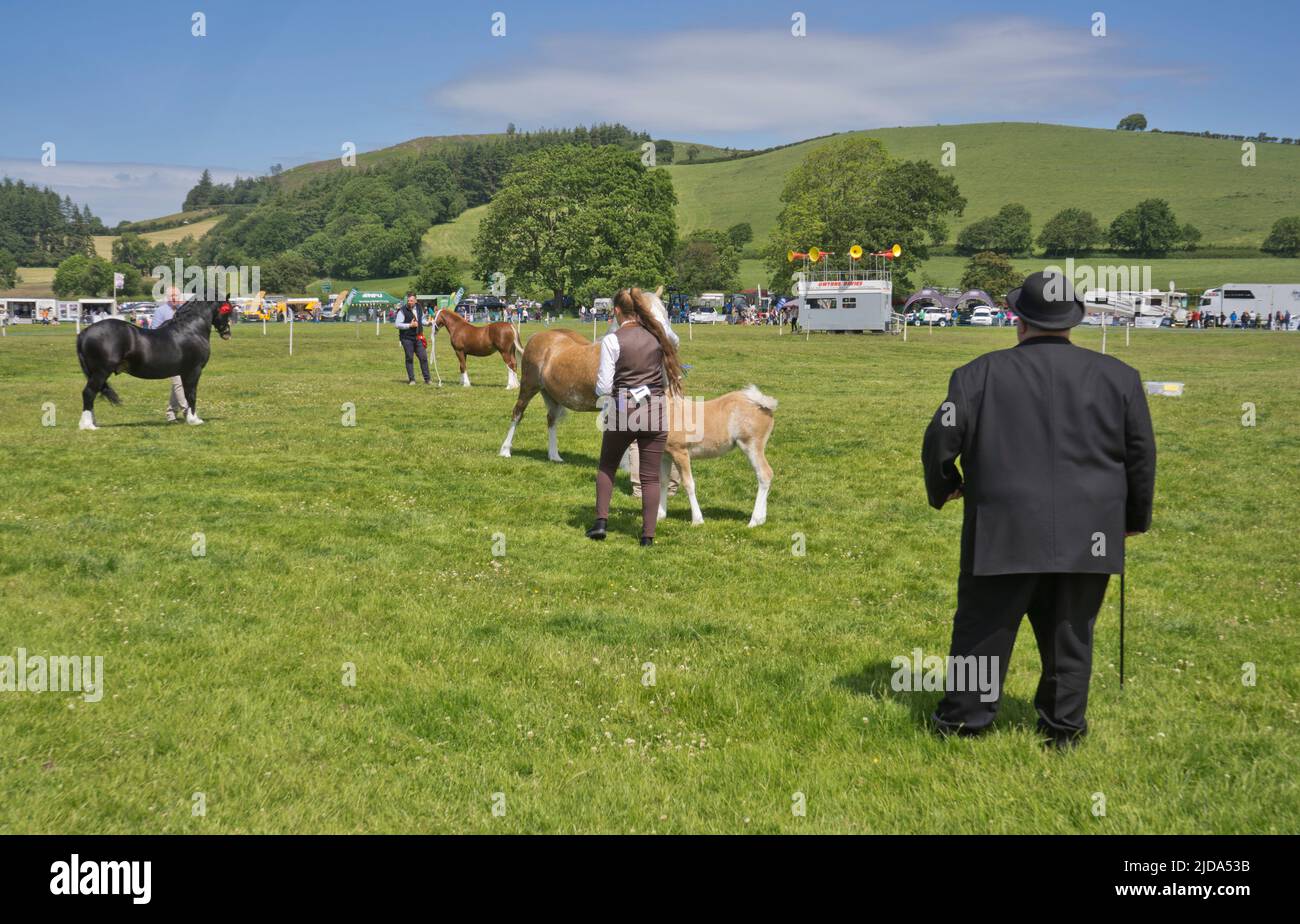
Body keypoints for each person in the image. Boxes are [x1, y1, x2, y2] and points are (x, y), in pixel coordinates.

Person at [922, 270, 1156, 748]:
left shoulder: (975, 375)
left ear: (1018, 320)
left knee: (984, 629)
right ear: (1075, 320)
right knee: (1070, 632)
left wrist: (946, 485)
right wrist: (1131, 520)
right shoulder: (1121, 379)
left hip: (1001, 528)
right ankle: (1063, 729)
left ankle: (966, 721)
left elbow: (941, 440)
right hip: (1090, 530)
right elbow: (1141, 456)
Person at [587, 288, 685, 547]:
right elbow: (675, 342)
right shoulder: (658, 336)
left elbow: (604, 387)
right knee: (650, 476)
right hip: (654, 410)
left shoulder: (612, 340)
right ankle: (647, 536)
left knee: (607, 466)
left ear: (617, 311)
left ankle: (600, 522)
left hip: (622, 411)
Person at [152, 287, 190, 422]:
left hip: (182, 352)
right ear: (167, 297)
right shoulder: (160, 311)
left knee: (177, 382)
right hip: (167, 352)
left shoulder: (183, 310)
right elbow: (153, 332)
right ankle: (188, 411)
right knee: (179, 381)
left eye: (176, 296)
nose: (174, 298)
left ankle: (171, 413)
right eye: (171, 296)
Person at [395, 293, 431, 385]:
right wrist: (410, 325)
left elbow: (421, 320)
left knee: (423, 357)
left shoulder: (419, 308)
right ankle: (412, 380)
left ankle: (427, 380)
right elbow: (397, 324)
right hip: (406, 338)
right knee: (409, 358)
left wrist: (428, 323)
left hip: (418, 337)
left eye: (411, 300)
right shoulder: (402, 311)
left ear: (415, 301)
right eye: (408, 300)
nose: (409, 302)